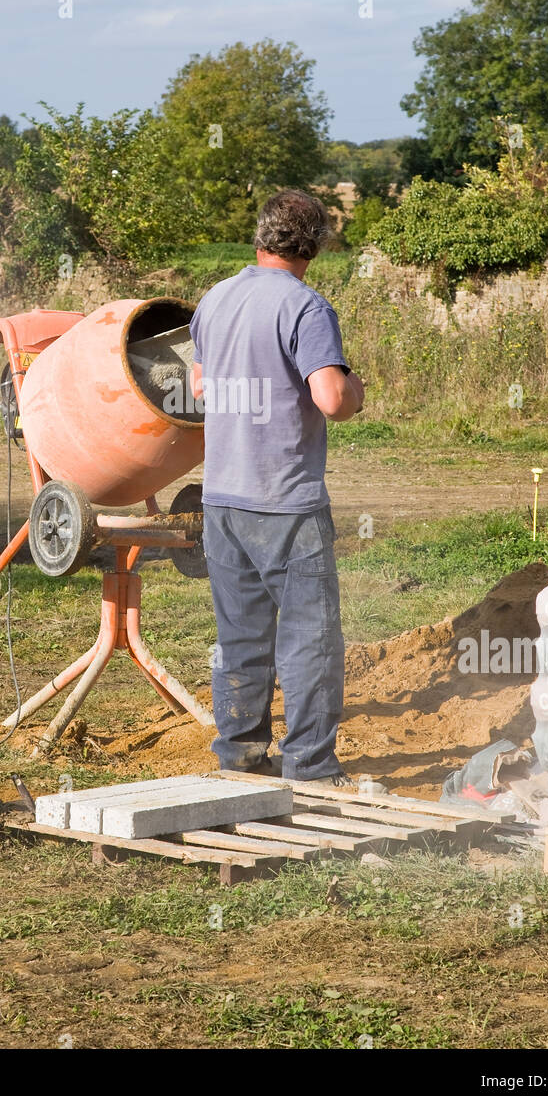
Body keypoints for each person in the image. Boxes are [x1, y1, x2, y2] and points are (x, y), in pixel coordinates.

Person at [188, 188, 365, 789]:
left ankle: (240, 756)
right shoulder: (306, 307)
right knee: (309, 639)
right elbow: (332, 400)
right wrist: (354, 383)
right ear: (312, 245)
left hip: (221, 500)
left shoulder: (214, 300)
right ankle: (311, 768)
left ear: (260, 238)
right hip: (285, 501)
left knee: (240, 637)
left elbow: (200, 387)